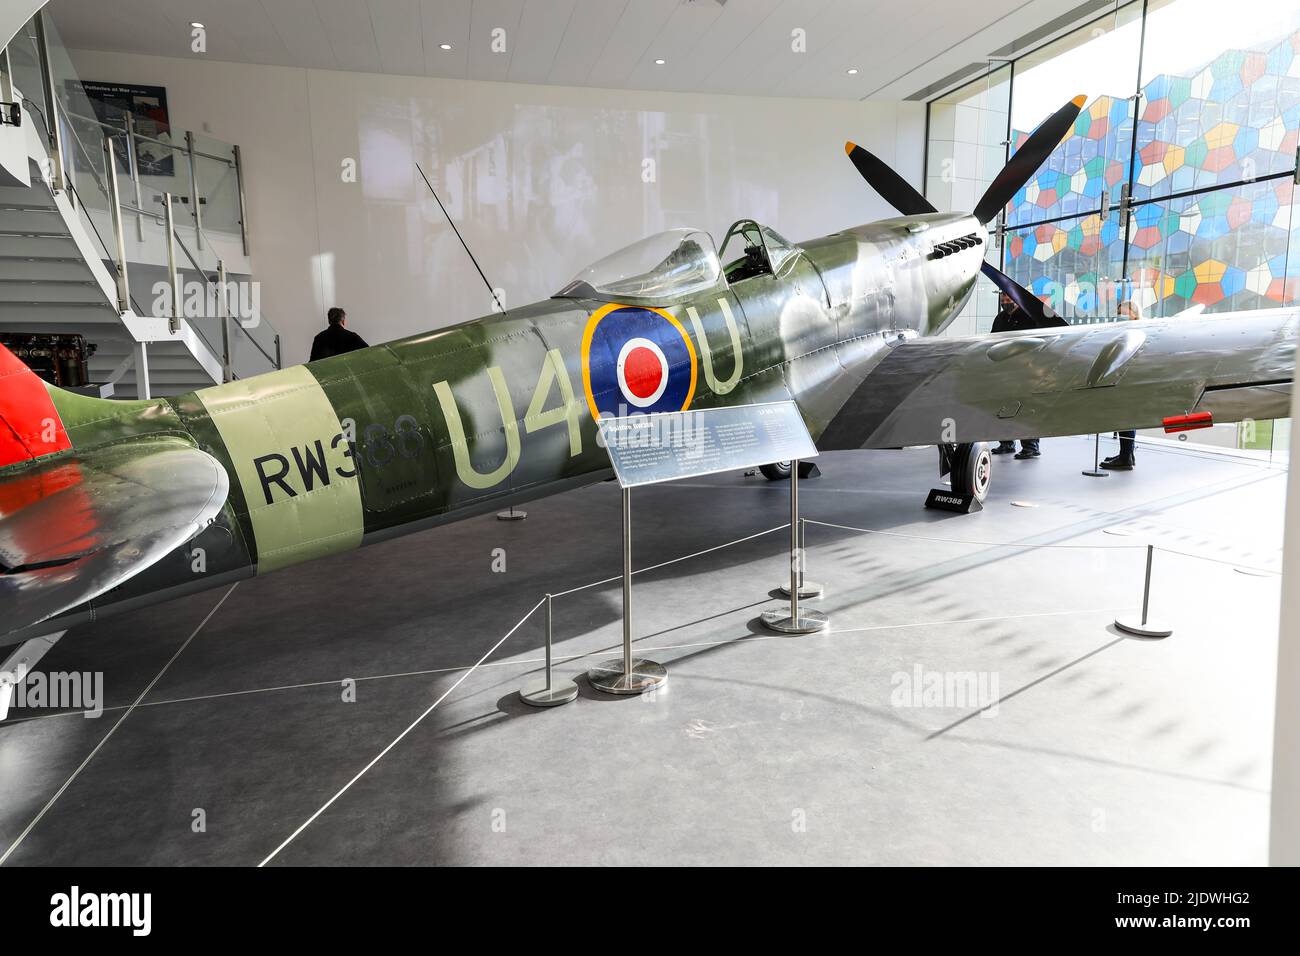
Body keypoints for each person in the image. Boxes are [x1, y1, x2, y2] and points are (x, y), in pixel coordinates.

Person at [989, 291, 1041, 459]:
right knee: (1004, 405)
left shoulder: (1029, 318)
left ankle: (1031, 446)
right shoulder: (1000, 318)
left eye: (1008, 299)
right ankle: (1006, 442)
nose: (1005, 301)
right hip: (1005, 370)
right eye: (1003, 299)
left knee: (1025, 408)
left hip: (1025, 370)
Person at [1101, 299, 1144, 471]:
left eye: (1122, 312)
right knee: (1126, 418)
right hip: (1129, 378)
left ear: (1132, 313)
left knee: (1125, 417)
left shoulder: (1136, 330)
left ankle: (1125, 457)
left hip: (1130, 379)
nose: (1119, 316)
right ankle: (1127, 454)